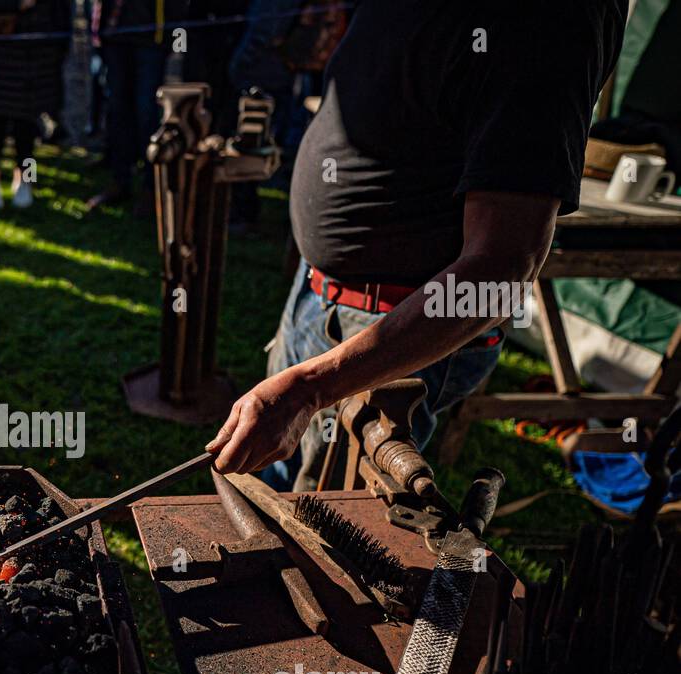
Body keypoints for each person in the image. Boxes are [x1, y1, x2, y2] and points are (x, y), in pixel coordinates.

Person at [206, 1, 627, 493]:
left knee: (313, 537)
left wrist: (312, 388)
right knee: (268, 484)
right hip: (317, 296)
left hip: (385, 326)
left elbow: (499, 273)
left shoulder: (544, 20)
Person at [0, 0, 71, 211]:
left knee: (27, 126)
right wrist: (15, 5)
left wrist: (58, 50)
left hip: (38, 56)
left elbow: (61, 15)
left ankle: (26, 179)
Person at [87, 0, 184, 214]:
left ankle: (152, 187)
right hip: (116, 33)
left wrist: (174, 37)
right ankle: (120, 180)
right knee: (117, 110)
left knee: (147, 114)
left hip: (151, 37)